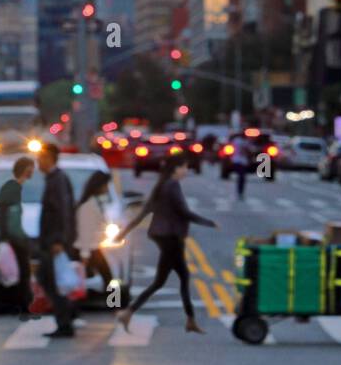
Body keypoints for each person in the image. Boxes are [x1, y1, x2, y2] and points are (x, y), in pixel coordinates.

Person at [117, 152, 218, 334]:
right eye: (184, 167)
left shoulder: (162, 185)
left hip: (163, 236)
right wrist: (208, 222)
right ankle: (130, 313)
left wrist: (123, 233)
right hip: (171, 237)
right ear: (175, 169)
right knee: (171, 279)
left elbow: (144, 212)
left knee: (170, 279)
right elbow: (184, 212)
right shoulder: (172, 186)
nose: (186, 171)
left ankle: (189, 320)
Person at [37, 143, 78, 339]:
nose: (38, 162)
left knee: (52, 281)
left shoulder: (58, 180)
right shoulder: (52, 179)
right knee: (47, 279)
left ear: (49, 158)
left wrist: (59, 241)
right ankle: (67, 314)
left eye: (41, 158)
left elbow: (63, 212)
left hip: (55, 242)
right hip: (50, 241)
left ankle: (65, 321)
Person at [0, 156, 35, 317]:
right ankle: (22, 306)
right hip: (14, 239)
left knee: (20, 273)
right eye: (31, 168)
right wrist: (13, 238)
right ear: (25, 170)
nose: (33, 171)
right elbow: (7, 215)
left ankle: (21, 304)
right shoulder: (12, 188)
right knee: (21, 273)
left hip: (15, 238)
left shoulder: (14, 187)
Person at [76, 169, 115, 299]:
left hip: (93, 248)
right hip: (87, 249)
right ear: (99, 186)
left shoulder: (95, 202)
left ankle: (115, 306)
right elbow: (85, 231)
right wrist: (85, 254)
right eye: (105, 185)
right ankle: (116, 306)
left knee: (107, 277)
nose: (107, 188)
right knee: (108, 277)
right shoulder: (88, 205)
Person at [230, 131, 252, 200]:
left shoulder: (246, 141)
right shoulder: (238, 141)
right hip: (237, 160)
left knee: (242, 177)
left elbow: (248, 151)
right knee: (241, 176)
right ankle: (239, 192)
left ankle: (240, 192)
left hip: (243, 161)